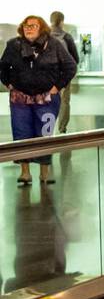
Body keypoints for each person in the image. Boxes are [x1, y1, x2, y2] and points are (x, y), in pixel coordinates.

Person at [1, 16, 76, 186]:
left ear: (41, 27)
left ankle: (45, 173)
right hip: (20, 99)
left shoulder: (54, 44)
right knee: (21, 134)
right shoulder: (14, 45)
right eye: (26, 26)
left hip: (47, 99)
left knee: (45, 134)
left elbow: (71, 66)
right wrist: (8, 83)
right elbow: (3, 66)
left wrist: (58, 86)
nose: (28, 28)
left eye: (33, 25)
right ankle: (25, 173)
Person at [48, 11, 78, 134]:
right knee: (64, 102)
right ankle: (62, 129)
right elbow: (75, 58)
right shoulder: (67, 37)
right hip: (64, 75)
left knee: (47, 100)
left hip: (48, 75)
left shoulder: (43, 36)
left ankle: (47, 129)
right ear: (61, 22)